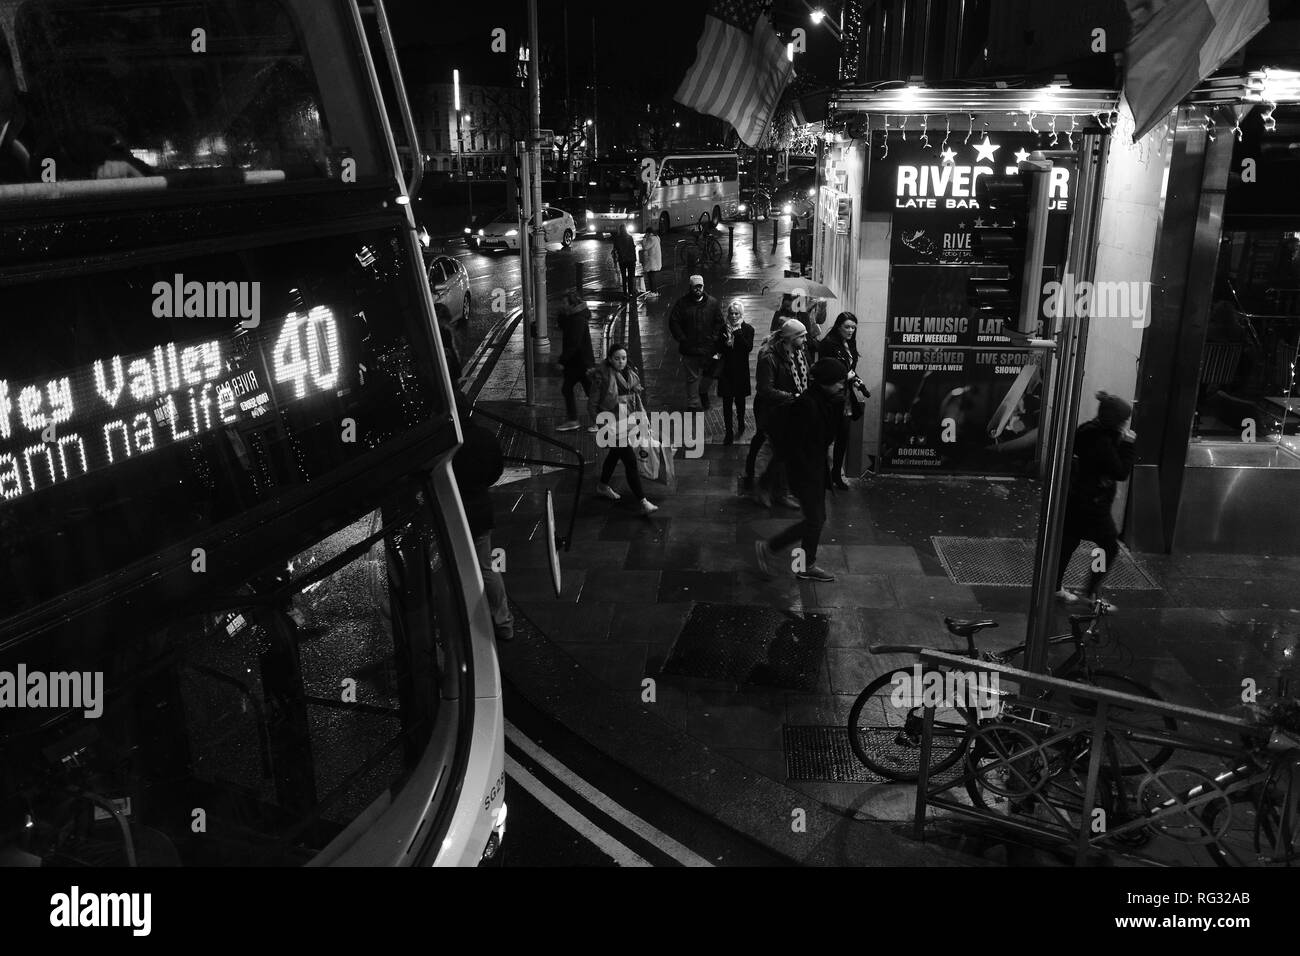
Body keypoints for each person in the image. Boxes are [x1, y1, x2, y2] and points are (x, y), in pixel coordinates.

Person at [754, 358, 848, 583]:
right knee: (815, 519)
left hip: (814, 467)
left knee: (817, 518)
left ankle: (805, 564)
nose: (841, 386)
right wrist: (767, 479)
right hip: (803, 470)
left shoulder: (827, 400)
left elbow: (828, 435)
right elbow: (789, 444)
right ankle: (772, 548)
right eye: (837, 382)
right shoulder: (807, 404)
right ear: (825, 382)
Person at [1055, 391, 1137, 611]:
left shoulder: (1088, 430)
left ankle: (1055, 587)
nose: (1125, 424)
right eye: (1123, 420)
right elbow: (1120, 471)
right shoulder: (1100, 439)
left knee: (1068, 542)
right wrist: (1128, 445)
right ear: (1114, 420)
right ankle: (1090, 593)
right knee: (1109, 545)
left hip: (1077, 497)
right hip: (1092, 504)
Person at [451, 391, 513, 642]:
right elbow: (496, 469)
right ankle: (503, 622)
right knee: (486, 566)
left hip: (454, 509)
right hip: (480, 507)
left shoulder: (448, 443)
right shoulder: (485, 437)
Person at [589, 343, 660, 516]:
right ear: (610, 359)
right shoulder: (602, 377)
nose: (621, 361)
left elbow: (636, 400)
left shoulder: (630, 374)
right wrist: (602, 426)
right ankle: (643, 501)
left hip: (627, 422)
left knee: (615, 455)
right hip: (611, 424)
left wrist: (643, 421)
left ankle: (602, 485)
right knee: (630, 461)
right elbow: (592, 404)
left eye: (623, 358)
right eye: (617, 358)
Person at [750, 318, 809, 509]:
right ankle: (769, 489)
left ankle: (777, 491)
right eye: (802, 336)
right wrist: (794, 396)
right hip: (774, 412)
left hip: (790, 410)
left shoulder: (798, 352)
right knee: (782, 452)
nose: (805, 340)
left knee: (784, 453)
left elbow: (803, 376)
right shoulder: (769, 357)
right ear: (791, 338)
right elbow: (765, 389)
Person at [817, 312, 866, 489]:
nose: (851, 330)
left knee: (843, 436)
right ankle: (823, 475)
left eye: (853, 327)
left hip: (845, 398)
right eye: (847, 326)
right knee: (826, 438)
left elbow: (850, 368)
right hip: (830, 397)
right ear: (838, 326)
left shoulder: (849, 344)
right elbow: (823, 372)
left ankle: (836, 473)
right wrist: (845, 376)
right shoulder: (828, 344)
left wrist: (856, 379)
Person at [668, 274, 725, 411]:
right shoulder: (682, 304)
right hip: (690, 349)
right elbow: (674, 322)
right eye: (695, 287)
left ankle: (703, 392)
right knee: (692, 378)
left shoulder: (712, 303)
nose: (697, 289)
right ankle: (693, 404)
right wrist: (682, 338)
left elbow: (719, 322)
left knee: (710, 375)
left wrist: (714, 338)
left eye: (700, 286)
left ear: (703, 286)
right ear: (690, 287)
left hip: (708, 349)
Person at [554, 291, 597, 433]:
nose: (562, 305)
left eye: (565, 303)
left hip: (581, 363)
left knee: (591, 392)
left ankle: (600, 421)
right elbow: (562, 327)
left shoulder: (578, 319)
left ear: (572, 304)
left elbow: (574, 343)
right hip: (576, 363)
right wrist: (562, 314)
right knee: (570, 389)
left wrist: (562, 360)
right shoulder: (572, 316)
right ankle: (574, 420)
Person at [716, 299, 754, 445]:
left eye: (736, 313)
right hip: (726, 371)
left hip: (740, 372)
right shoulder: (723, 329)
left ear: (741, 314)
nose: (733, 316)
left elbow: (747, 348)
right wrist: (724, 345)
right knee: (726, 403)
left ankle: (741, 423)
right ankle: (729, 432)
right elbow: (718, 347)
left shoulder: (748, 329)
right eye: (731, 313)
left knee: (740, 401)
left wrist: (738, 333)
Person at [433, 301, 464, 382]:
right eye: (444, 322)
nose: (445, 325)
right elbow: (453, 351)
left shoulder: (445, 332)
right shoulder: (442, 333)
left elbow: (453, 351)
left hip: (450, 372)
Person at [612, 223, 638, 297]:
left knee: (623, 277)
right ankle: (630, 291)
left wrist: (616, 260)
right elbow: (633, 249)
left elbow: (615, 249)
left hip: (622, 260)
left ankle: (624, 293)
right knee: (630, 277)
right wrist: (634, 259)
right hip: (630, 260)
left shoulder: (617, 238)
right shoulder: (629, 237)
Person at [640, 227, 662, 294]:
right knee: (652, 277)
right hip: (654, 261)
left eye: (646, 233)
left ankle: (654, 292)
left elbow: (645, 247)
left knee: (651, 278)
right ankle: (653, 292)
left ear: (648, 233)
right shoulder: (656, 238)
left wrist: (643, 239)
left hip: (652, 262)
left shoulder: (651, 239)